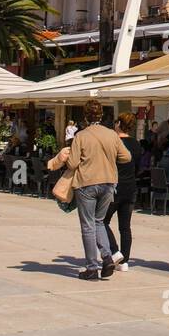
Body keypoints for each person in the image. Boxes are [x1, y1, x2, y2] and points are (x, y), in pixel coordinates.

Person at [54, 100, 130, 281]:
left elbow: (72, 163)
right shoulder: (112, 134)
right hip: (109, 183)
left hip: (87, 183)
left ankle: (92, 267)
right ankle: (107, 257)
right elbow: (126, 157)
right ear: (101, 115)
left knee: (88, 225)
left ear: (85, 117)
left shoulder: (81, 136)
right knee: (99, 221)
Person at [103, 111, 138, 271]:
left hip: (114, 187)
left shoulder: (113, 142)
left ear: (118, 124)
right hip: (130, 188)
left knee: (101, 221)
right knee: (125, 227)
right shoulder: (136, 144)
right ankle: (125, 261)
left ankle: (115, 251)